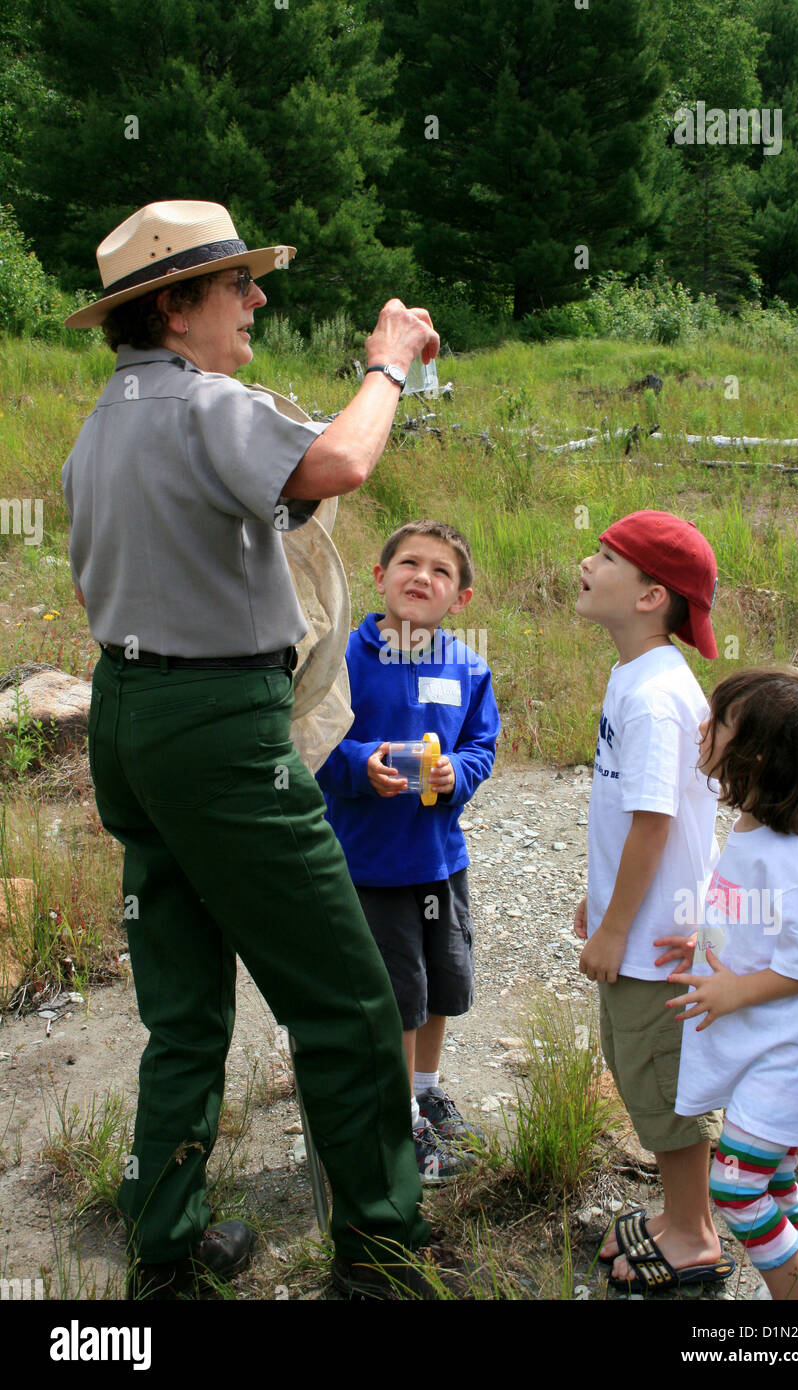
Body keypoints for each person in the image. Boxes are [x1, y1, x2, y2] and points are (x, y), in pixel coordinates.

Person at [61, 199, 445, 1299]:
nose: (258, 298)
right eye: (239, 284)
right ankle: (378, 1260)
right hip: (220, 730)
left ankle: (166, 1249)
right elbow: (337, 466)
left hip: (128, 714)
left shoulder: (102, 425)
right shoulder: (204, 403)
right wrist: (387, 365)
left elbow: (101, 583)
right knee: (349, 998)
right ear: (175, 306)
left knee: (183, 1010)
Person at [660, 669, 798, 1301]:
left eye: (718, 722)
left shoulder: (791, 860)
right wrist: (707, 942)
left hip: (792, 1053)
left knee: (738, 1188)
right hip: (767, 1046)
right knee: (770, 1180)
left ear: (758, 757)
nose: (702, 727)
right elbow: (756, 923)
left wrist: (733, 991)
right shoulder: (752, 831)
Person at [573, 509, 734, 1294]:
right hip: (636, 923)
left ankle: (696, 1236)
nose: (587, 563)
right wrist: (595, 897)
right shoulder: (633, 675)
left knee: (664, 1087)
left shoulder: (659, 695)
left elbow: (653, 822)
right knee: (637, 1071)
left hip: (655, 940)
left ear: (650, 596)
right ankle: (674, 1217)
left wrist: (614, 926)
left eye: (606, 557)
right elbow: (627, 814)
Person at [316, 521, 500, 1181]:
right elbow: (310, 746)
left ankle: (425, 1090)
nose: (423, 577)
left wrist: (459, 774)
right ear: (379, 576)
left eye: (442, 571)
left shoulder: (466, 667)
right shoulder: (340, 660)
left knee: (441, 986)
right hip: (368, 865)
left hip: (439, 862)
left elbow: (481, 747)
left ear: (462, 598)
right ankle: (399, 1123)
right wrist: (360, 763)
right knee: (396, 997)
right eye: (409, 563)